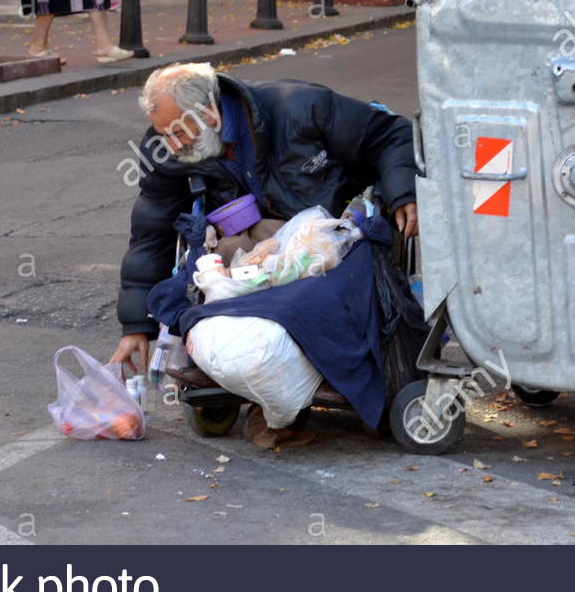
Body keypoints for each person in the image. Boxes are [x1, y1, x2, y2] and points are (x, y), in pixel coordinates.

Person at [109, 63, 419, 376]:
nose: (172, 146)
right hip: (257, 254)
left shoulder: (299, 107)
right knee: (210, 293)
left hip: (330, 239)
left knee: (302, 305)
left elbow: (391, 135)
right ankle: (260, 383)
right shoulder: (165, 151)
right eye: (164, 135)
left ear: (209, 113)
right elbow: (152, 234)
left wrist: (402, 193)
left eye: (178, 132)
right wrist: (136, 324)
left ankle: (294, 386)